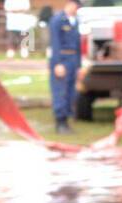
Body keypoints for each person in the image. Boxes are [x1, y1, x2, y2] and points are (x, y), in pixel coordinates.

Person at [49, 0, 82, 133]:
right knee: (60, 90)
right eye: (77, 6)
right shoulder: (57, 20)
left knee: (70, 91)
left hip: (73, 59)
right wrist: (57, 63)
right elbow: (55, 43)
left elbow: (78, 45)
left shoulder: (74, 22)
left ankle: (66, 120)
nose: (77, 9)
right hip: (62, 58)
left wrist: (78, 65)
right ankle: (60, 121)